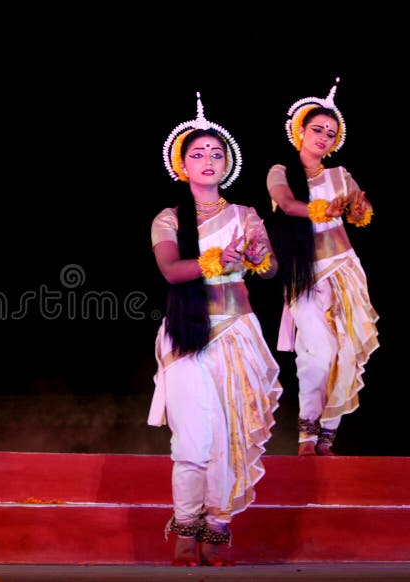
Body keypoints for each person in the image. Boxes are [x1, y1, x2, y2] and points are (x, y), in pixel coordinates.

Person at [149, 93, 282, 567]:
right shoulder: (168, 219)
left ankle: (217, 527)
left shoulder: (246, 214)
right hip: (188, 334)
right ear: (181, 165)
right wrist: (214, 262)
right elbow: (171, 270)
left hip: (238, 333)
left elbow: (269, 269)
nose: (208, 160)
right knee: (192, 440)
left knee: (229, 438)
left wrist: (259, 256)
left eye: (216, 153)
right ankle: (186, 530)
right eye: (198, 153)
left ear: (227, 163)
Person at [267, 78, 378, 456]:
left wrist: (358, 210)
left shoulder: (340, 175)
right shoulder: (281, 171)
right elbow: (285, 203)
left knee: (346, 352)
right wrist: (322, 211)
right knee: (319, 351)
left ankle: (325, 436)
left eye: (331, 134)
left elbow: (359, 210)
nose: (324, 138)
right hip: (306, 275)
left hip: (344, 269)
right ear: (300, 130)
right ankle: (306, 433)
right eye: (318, 129)